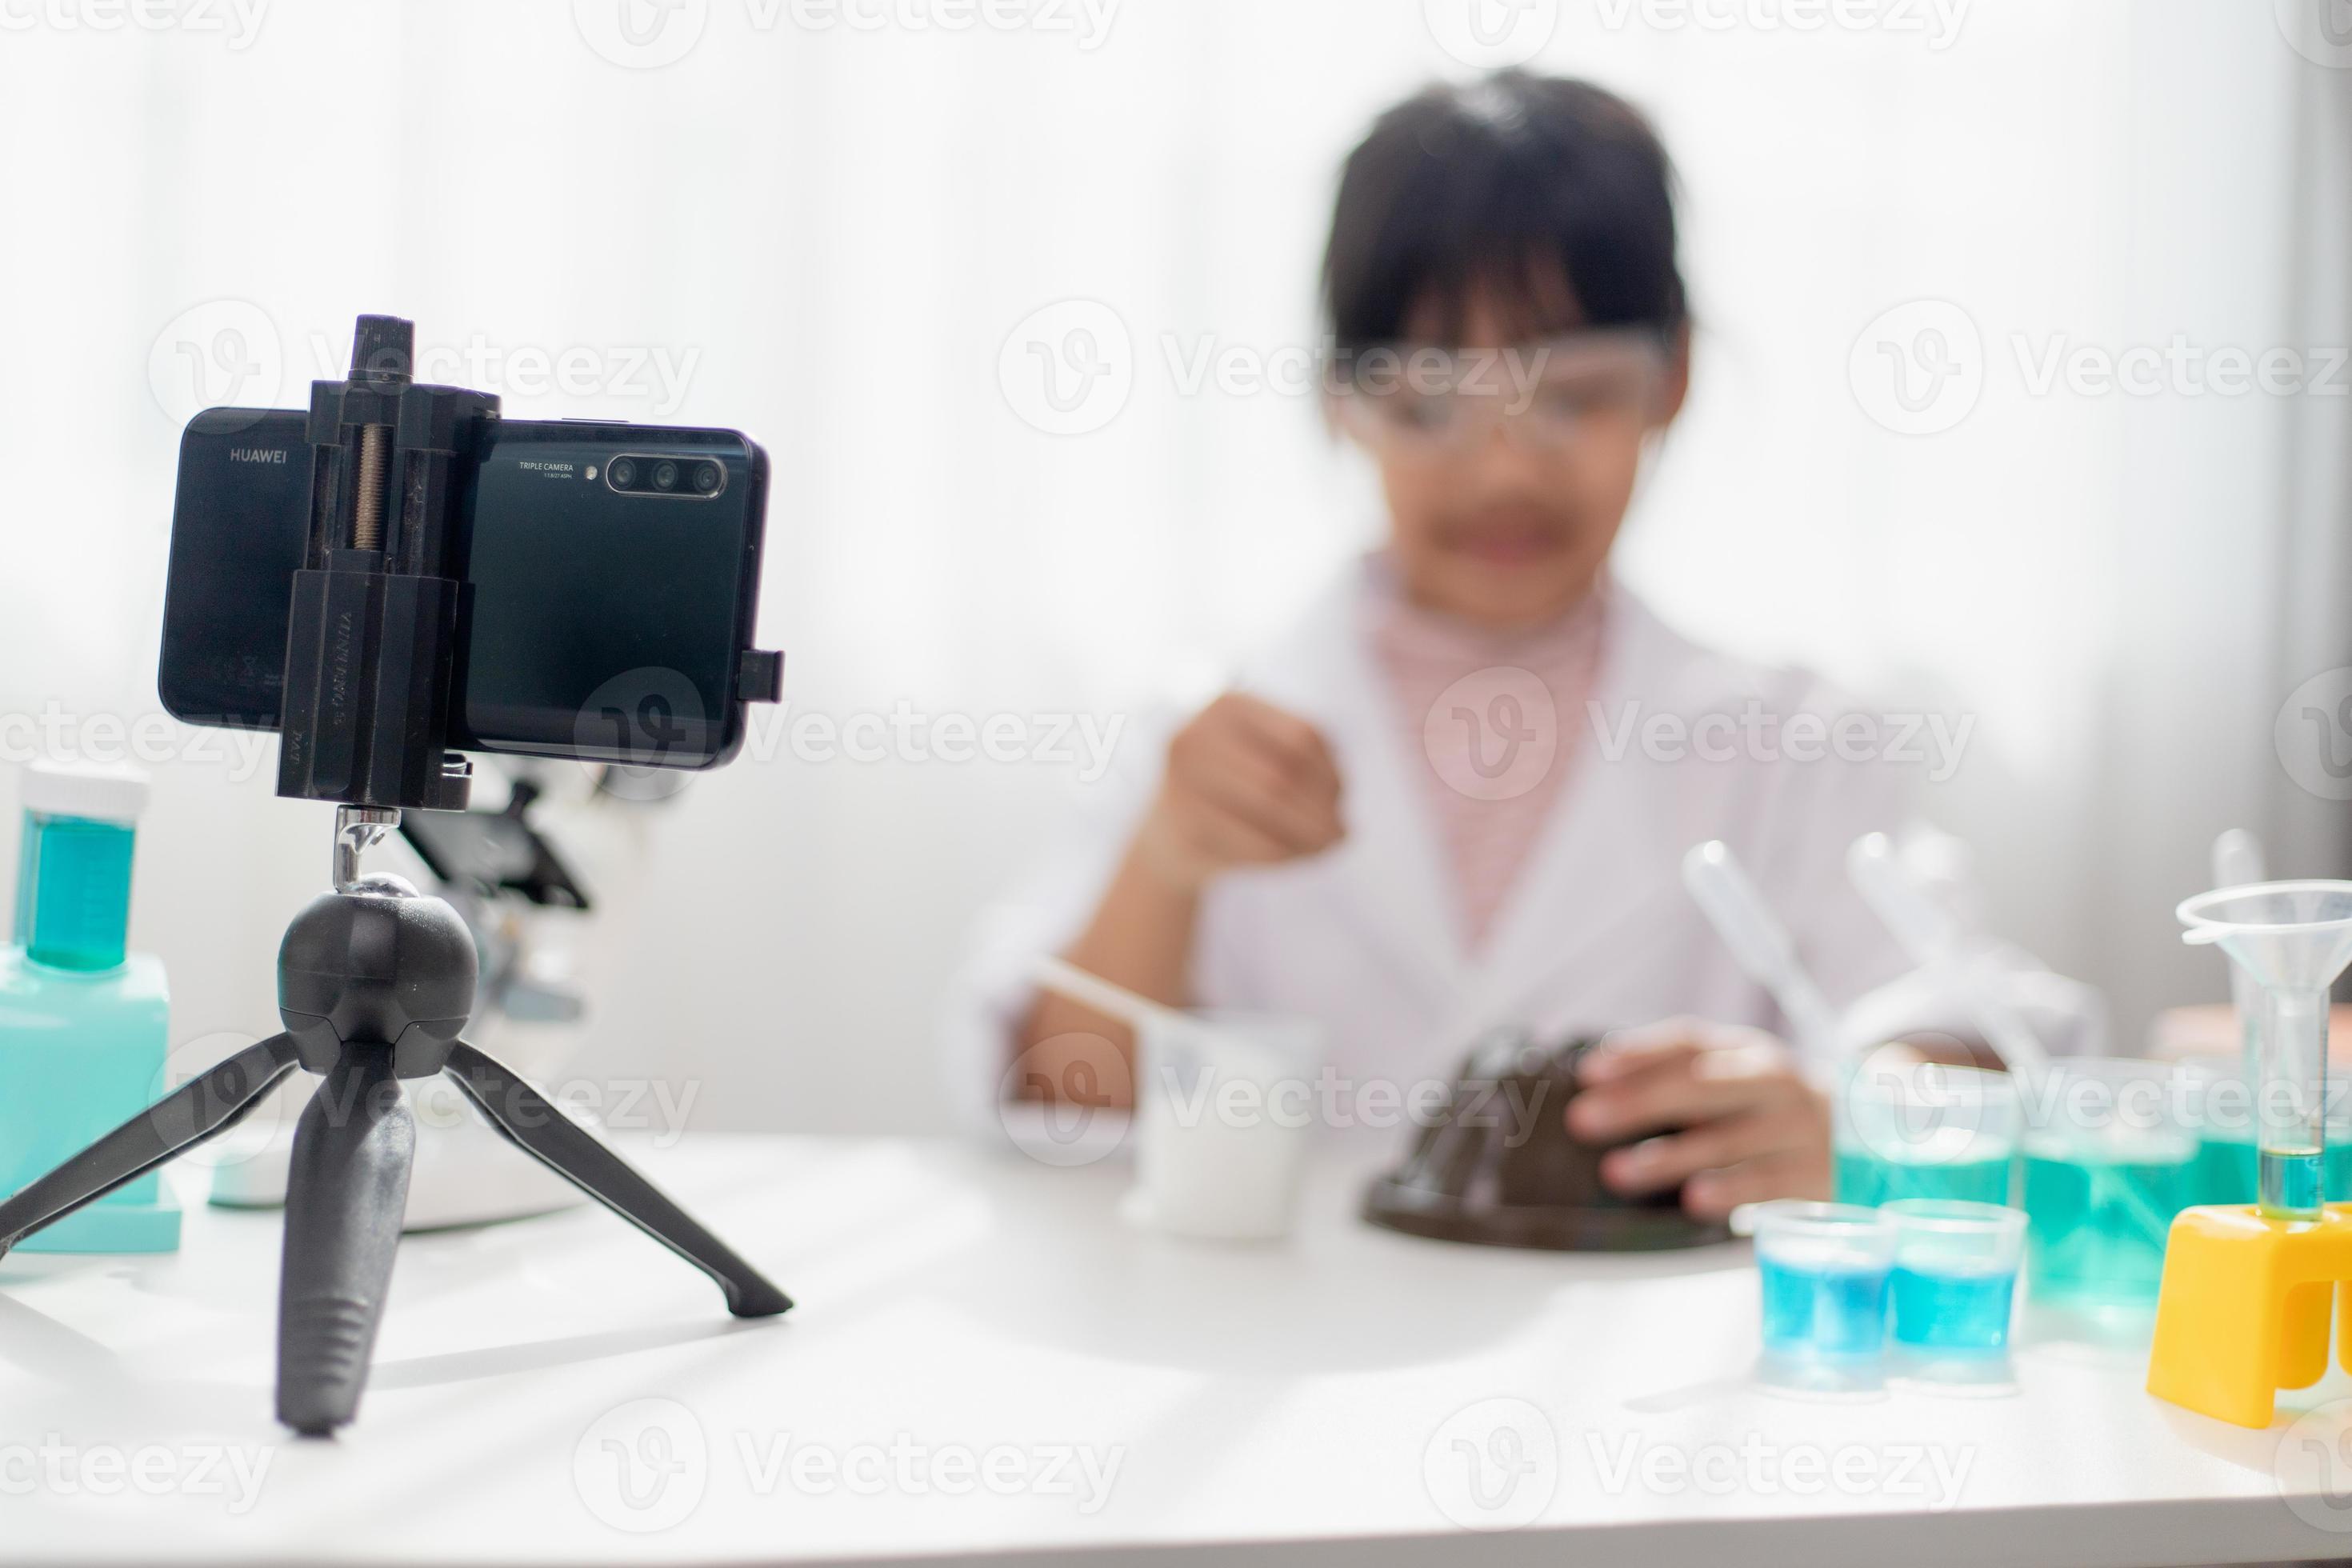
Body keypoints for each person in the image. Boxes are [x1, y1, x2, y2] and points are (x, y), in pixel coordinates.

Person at [941, 71, 2092, 1220]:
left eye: (1574, 398)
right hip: (1287, 1320)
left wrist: (1859, 1111)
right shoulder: (1206, 729)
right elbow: (1054, 1108)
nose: (1503, 471)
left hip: (1656, 1331)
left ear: (1673, 380)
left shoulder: (1792, 743)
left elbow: (1968, 1018)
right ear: (1341, 401)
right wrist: (1165, 864)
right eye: (1428, 404)